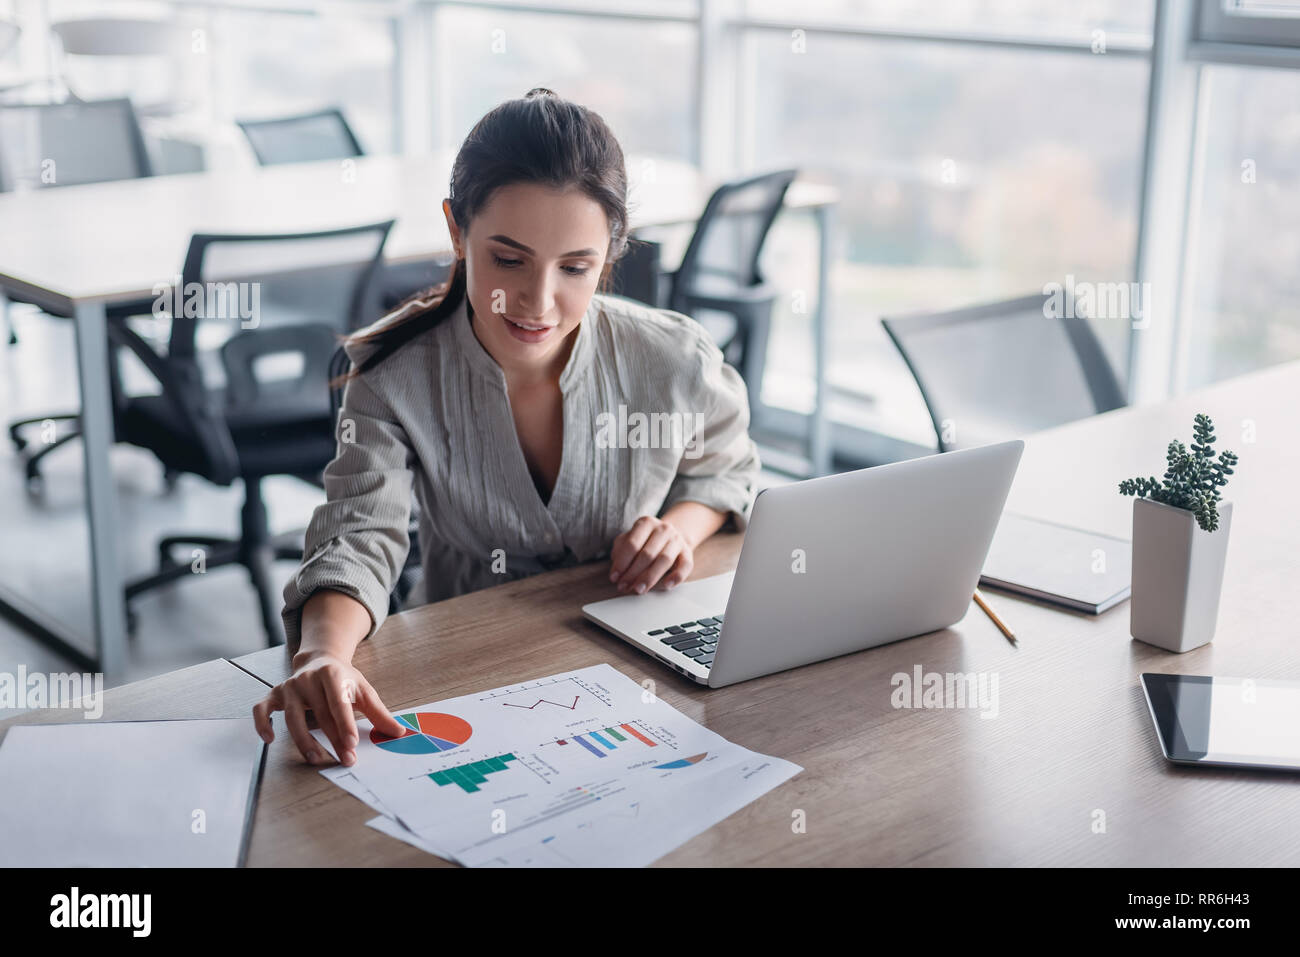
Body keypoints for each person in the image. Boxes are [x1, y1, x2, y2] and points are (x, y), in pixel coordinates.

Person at [252, 88, 761, 767]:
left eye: (576, 268)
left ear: (611, 252)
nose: (538, 301)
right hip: (467, 673)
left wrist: (680, 528)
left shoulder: (673, 357)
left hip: (637, 666)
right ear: (457, 232)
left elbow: (726, 471)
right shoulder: (390, 374)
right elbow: (359, 536)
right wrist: (323, 655)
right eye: (508, 259)